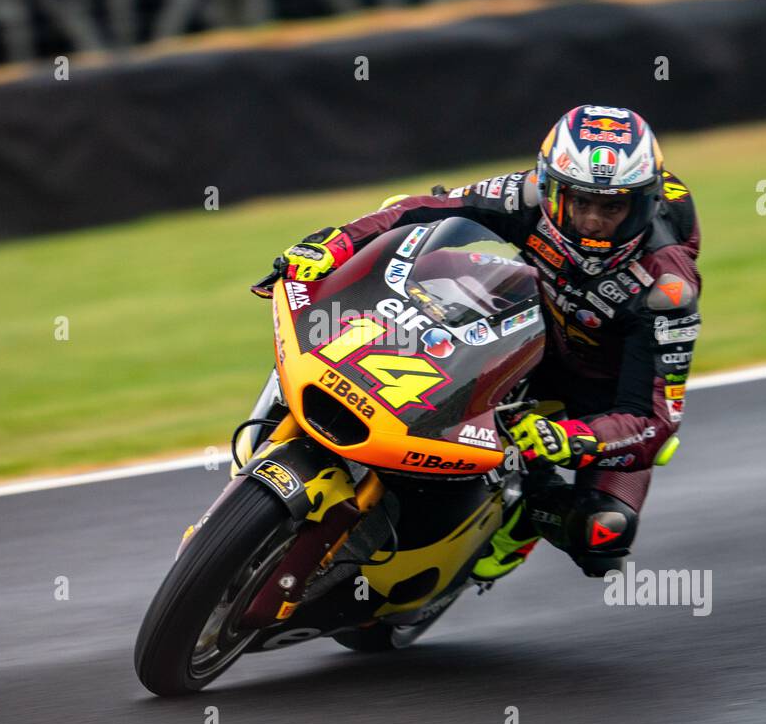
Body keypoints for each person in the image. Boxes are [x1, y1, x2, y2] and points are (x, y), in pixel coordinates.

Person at [276, 104, 701, 581]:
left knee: (603, 531)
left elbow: (654, 421)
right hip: (528, 324)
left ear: (644, 202)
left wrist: (569, 437)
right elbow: (421, 208)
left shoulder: (667, 289)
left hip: (599, 388)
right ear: (551, 185)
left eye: (612, 207)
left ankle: (521, 512)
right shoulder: (526, 195)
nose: (591, 222)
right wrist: (333, 243)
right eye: (578, 202)